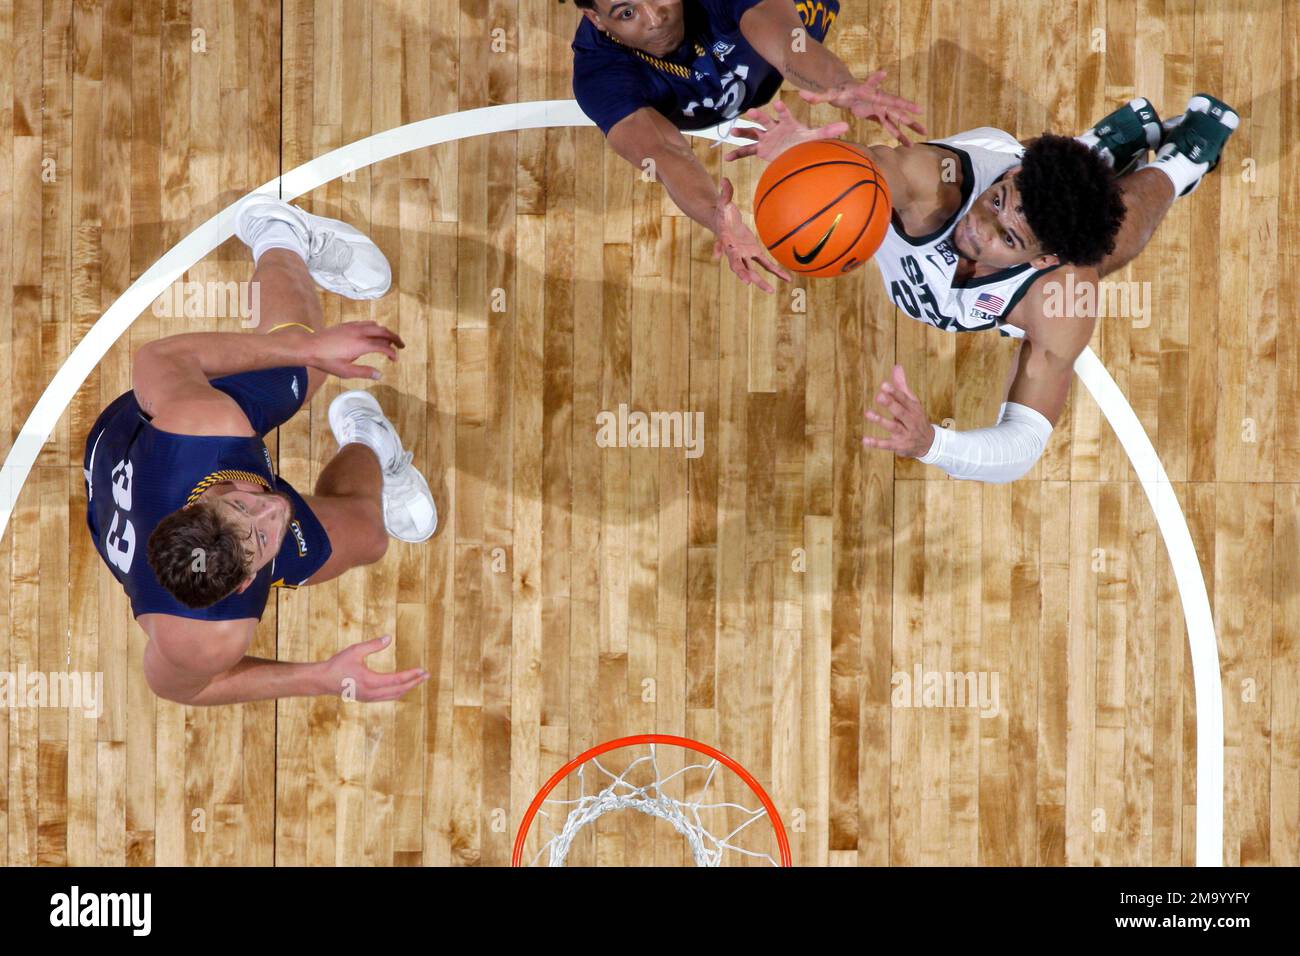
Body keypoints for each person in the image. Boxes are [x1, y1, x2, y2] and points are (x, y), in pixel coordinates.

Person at [728, 93, 1238, 482]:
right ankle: (1093, 150)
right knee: (1049, 202)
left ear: (1043, 258)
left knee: (1111, 242)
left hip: (1049, 253)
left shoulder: (1061, 297)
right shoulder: (935, 189)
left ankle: (1179, 164)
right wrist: (807, 151)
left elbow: (1023, 443)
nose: (979, 229)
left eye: (1007, 238)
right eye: (996, 203)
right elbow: (874, 167)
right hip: (995, 156)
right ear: (1009, 176)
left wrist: (933, 445)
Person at [82, 196, 438, 705]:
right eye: (264, 536)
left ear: (195, 505)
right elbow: (180, 689)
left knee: (304, 371)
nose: (270, 507)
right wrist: (320, 677)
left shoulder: (199, 426)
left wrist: (307, 349)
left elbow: (164, 357)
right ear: (246, 582)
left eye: (241, 505)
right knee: (370, 536)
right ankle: (370, 441)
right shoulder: (204, 635)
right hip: (151, 505)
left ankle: (279, 234)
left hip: (137, 437)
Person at [571, 0, 924, 292]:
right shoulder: (599, 73)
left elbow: (789, 45)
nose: (655, 17)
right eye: (626, 13)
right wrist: (715, 216)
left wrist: (840, 85)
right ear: (595, 19)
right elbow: (665, 153)